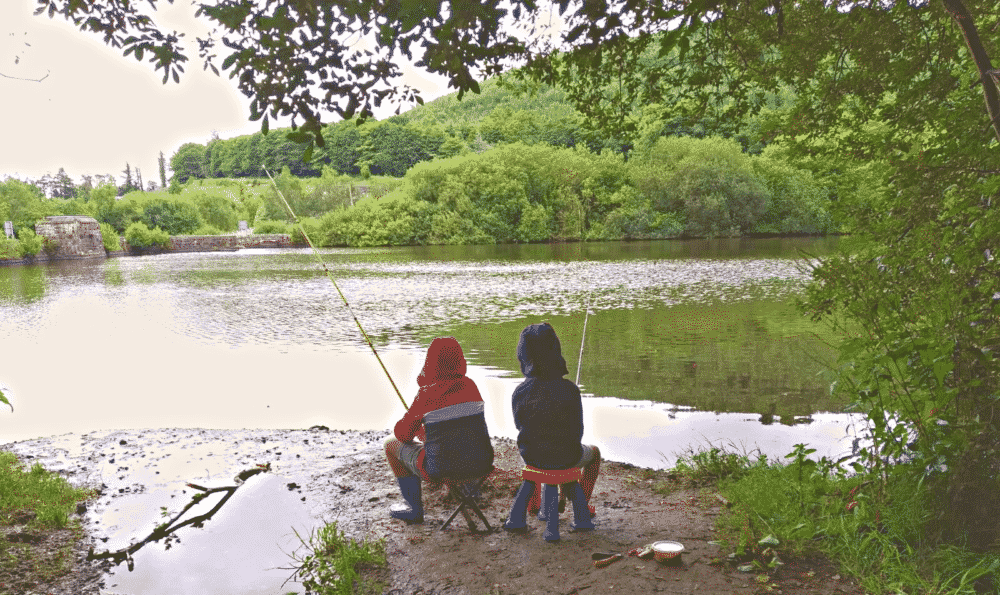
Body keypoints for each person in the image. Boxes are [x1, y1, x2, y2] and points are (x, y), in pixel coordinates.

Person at [383, 336, 494, 523]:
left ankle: (413, 509)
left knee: (390, 444)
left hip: (439, 469)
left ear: (430, 363)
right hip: (481, 464)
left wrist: (416, 424)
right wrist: (427, 434)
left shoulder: (426, 394)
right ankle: (470, 490)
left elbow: (402, 434)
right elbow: (462, 427)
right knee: (464, 443)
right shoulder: (470, 386)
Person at [510, 322, 600, 517]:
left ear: (523, 356)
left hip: (531, 456)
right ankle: (581, 505)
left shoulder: (520, 391)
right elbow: (577, 431)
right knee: (595, 453)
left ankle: (533, 503)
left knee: (534, 448)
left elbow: (520, 426)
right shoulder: (570, 390)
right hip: (567, 456)